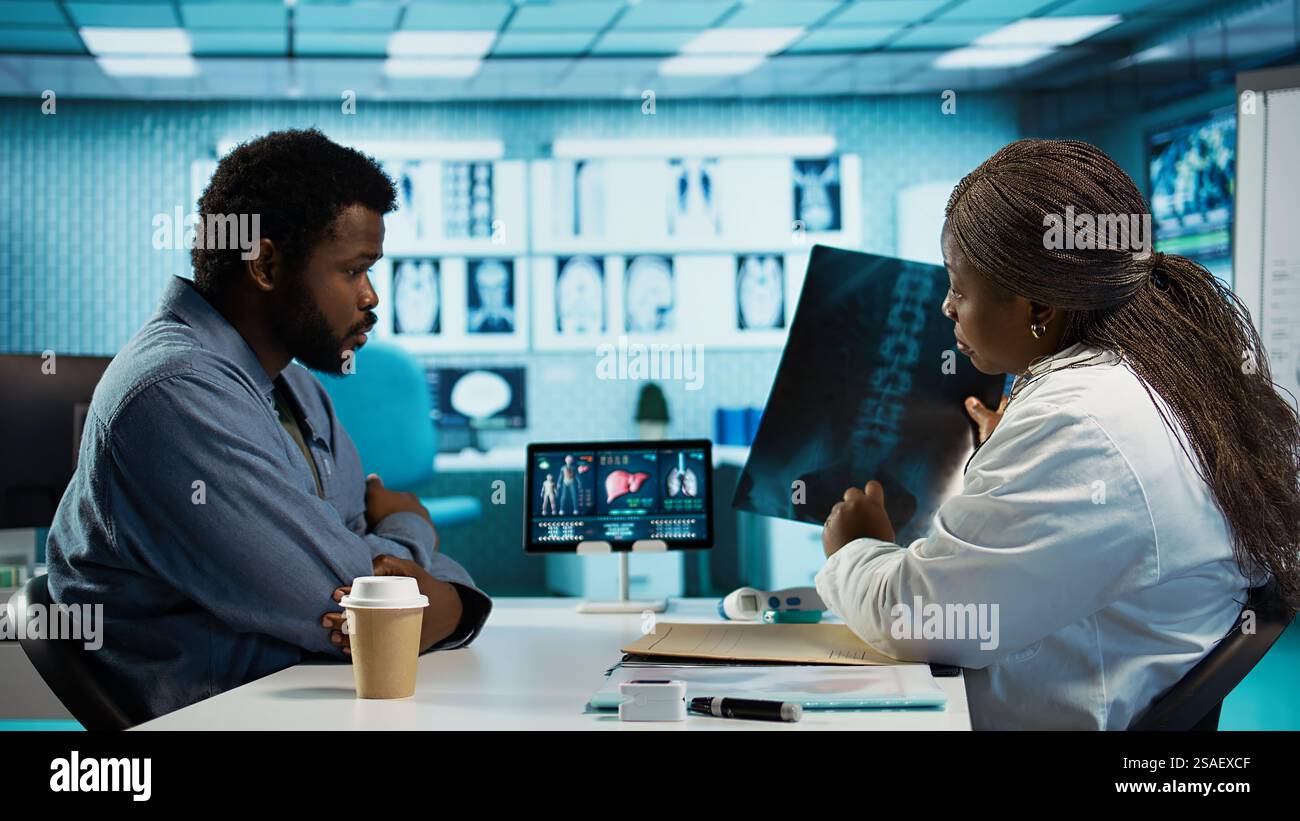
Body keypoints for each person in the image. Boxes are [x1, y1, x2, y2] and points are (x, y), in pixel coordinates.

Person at [816, 138, 1300, 730]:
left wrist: (858, 548)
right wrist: (1019, 458)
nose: (947, 308)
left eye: (958, 288)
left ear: (1037, 307)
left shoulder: (1080, 423)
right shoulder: (1156, 380)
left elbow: (925, 620)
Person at [45, 129, 491, 725]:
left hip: (306, 703)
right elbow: (355, 600)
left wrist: (425, 597)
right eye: (354, 271)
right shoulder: (173, 393)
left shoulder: (290, 380)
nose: (372, 296)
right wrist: (420, 540)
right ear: (267, 264)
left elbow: (360, 562)